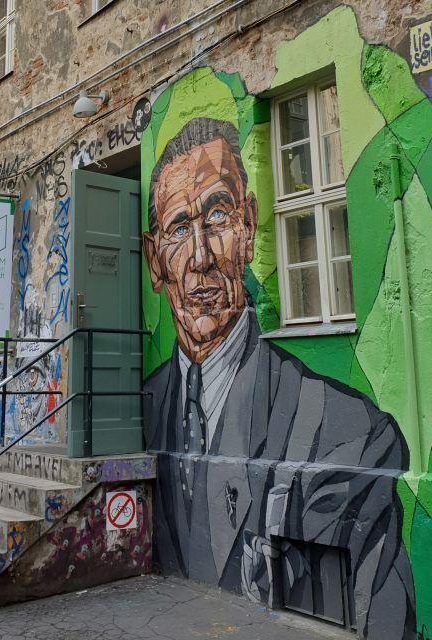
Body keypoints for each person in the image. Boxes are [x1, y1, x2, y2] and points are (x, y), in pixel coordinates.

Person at [143, 117, 415, 638]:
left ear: (248, 227)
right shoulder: (140, 406)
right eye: (178, 229)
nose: (201, 258)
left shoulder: (347, 435)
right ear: (155, 261)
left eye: (218, 215)